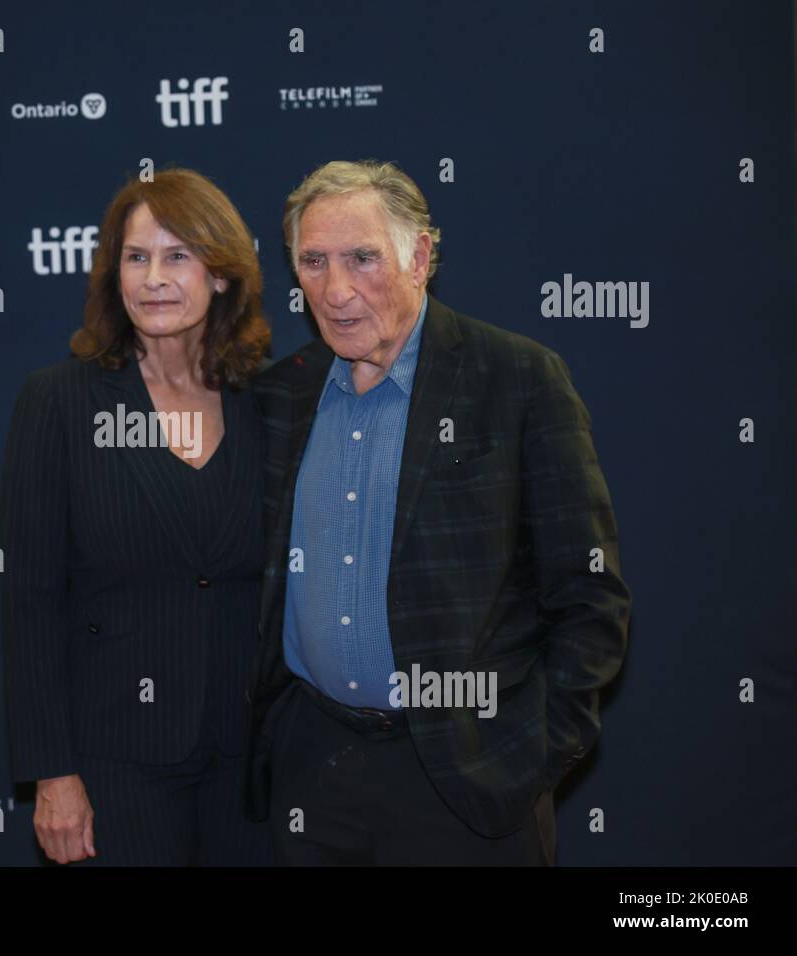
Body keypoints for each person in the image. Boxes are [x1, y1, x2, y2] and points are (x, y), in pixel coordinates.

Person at [244, 159, 633, 865]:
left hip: (467, 781)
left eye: (362, 258)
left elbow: (590, 594)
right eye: (313, 262)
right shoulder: (280, 398)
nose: (335, 291)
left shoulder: (517, 379)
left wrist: (529, 757)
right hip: (316, 773)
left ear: (419, 256)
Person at [1, 168, 275, 865]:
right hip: (114, 764)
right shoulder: (59, 403)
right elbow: (30, 600)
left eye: (177, 255)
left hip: (249, 767)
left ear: (222, 275)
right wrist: (52, 774)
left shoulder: (268, 401)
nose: (153, 277)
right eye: (135, 256)